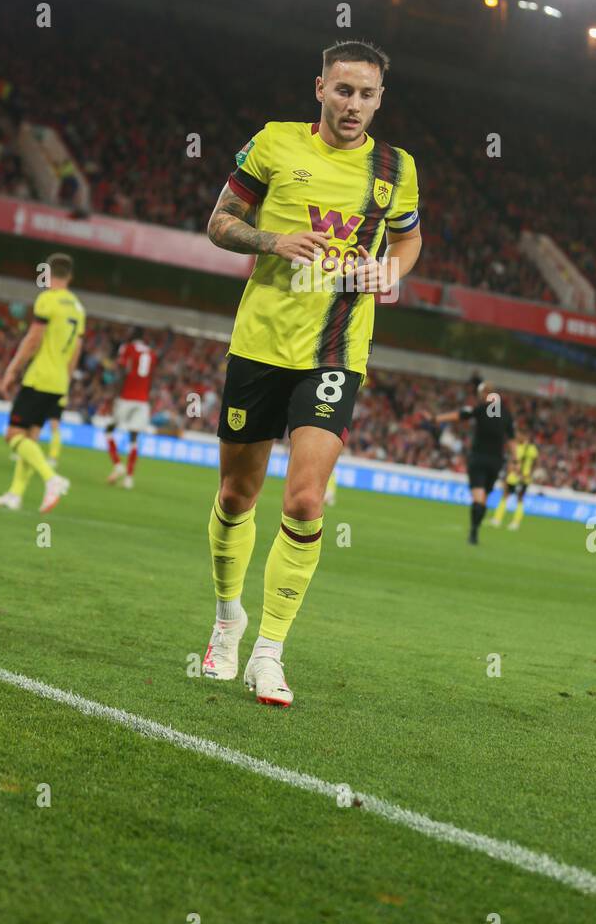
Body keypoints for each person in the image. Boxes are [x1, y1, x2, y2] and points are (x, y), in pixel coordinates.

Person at [201, 40, 420, 706]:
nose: (354, 105)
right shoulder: (273, 144)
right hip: (260, 343)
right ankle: (225, 619)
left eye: (368, 94)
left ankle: (269, 652)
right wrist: (274, 240)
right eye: (344, 90)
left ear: (381, 100)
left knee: (304, 499)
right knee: (238, 495)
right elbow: (218, 223)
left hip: (336, 351)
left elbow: (408, 237)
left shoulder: (396, 168)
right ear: (319, 88)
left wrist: (393, 271)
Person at [0, 253, 84, 514]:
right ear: (70, 276)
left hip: (39, 377)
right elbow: (76, 350)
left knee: (13, 435)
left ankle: (51, 479)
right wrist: (64, 382)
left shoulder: (47, 300)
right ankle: (15, 495)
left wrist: (12, 370)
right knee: (30, 437)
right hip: (58, 381)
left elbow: (32, 340)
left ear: (48, 273)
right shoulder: (77, 307)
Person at [431, 382, 516, 545]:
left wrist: (437, 418)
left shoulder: (480, 409)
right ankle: (475, 530)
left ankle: (473, 531)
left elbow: (460, 415)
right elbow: (511, 441)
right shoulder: (506, 414)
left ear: (483, 395)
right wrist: (516, 460)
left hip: (478, 459)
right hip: (495, 462)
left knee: (479, 498)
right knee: (484, 497)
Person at [106, 329, 157, 489]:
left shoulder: (127, 348)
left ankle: (118, 465)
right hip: (142, 400)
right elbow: (151, 378)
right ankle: (129, 478)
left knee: (109, 430)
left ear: (132, 337)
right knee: (134, 438)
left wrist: (115, 394)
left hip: (126, 396)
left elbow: (122, 370)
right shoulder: (151, 353)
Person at [493, 432, 539, 531]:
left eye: (519, 435)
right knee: (505, 495)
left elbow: (534, 463)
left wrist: (528, 474)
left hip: (522, 478)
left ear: (525, 436)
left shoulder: (529, 449)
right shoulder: (520, 447)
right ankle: (497, 519)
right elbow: (514, 462)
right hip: (514, 477)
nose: (517, 436)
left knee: (519, 499)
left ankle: (515, 523)